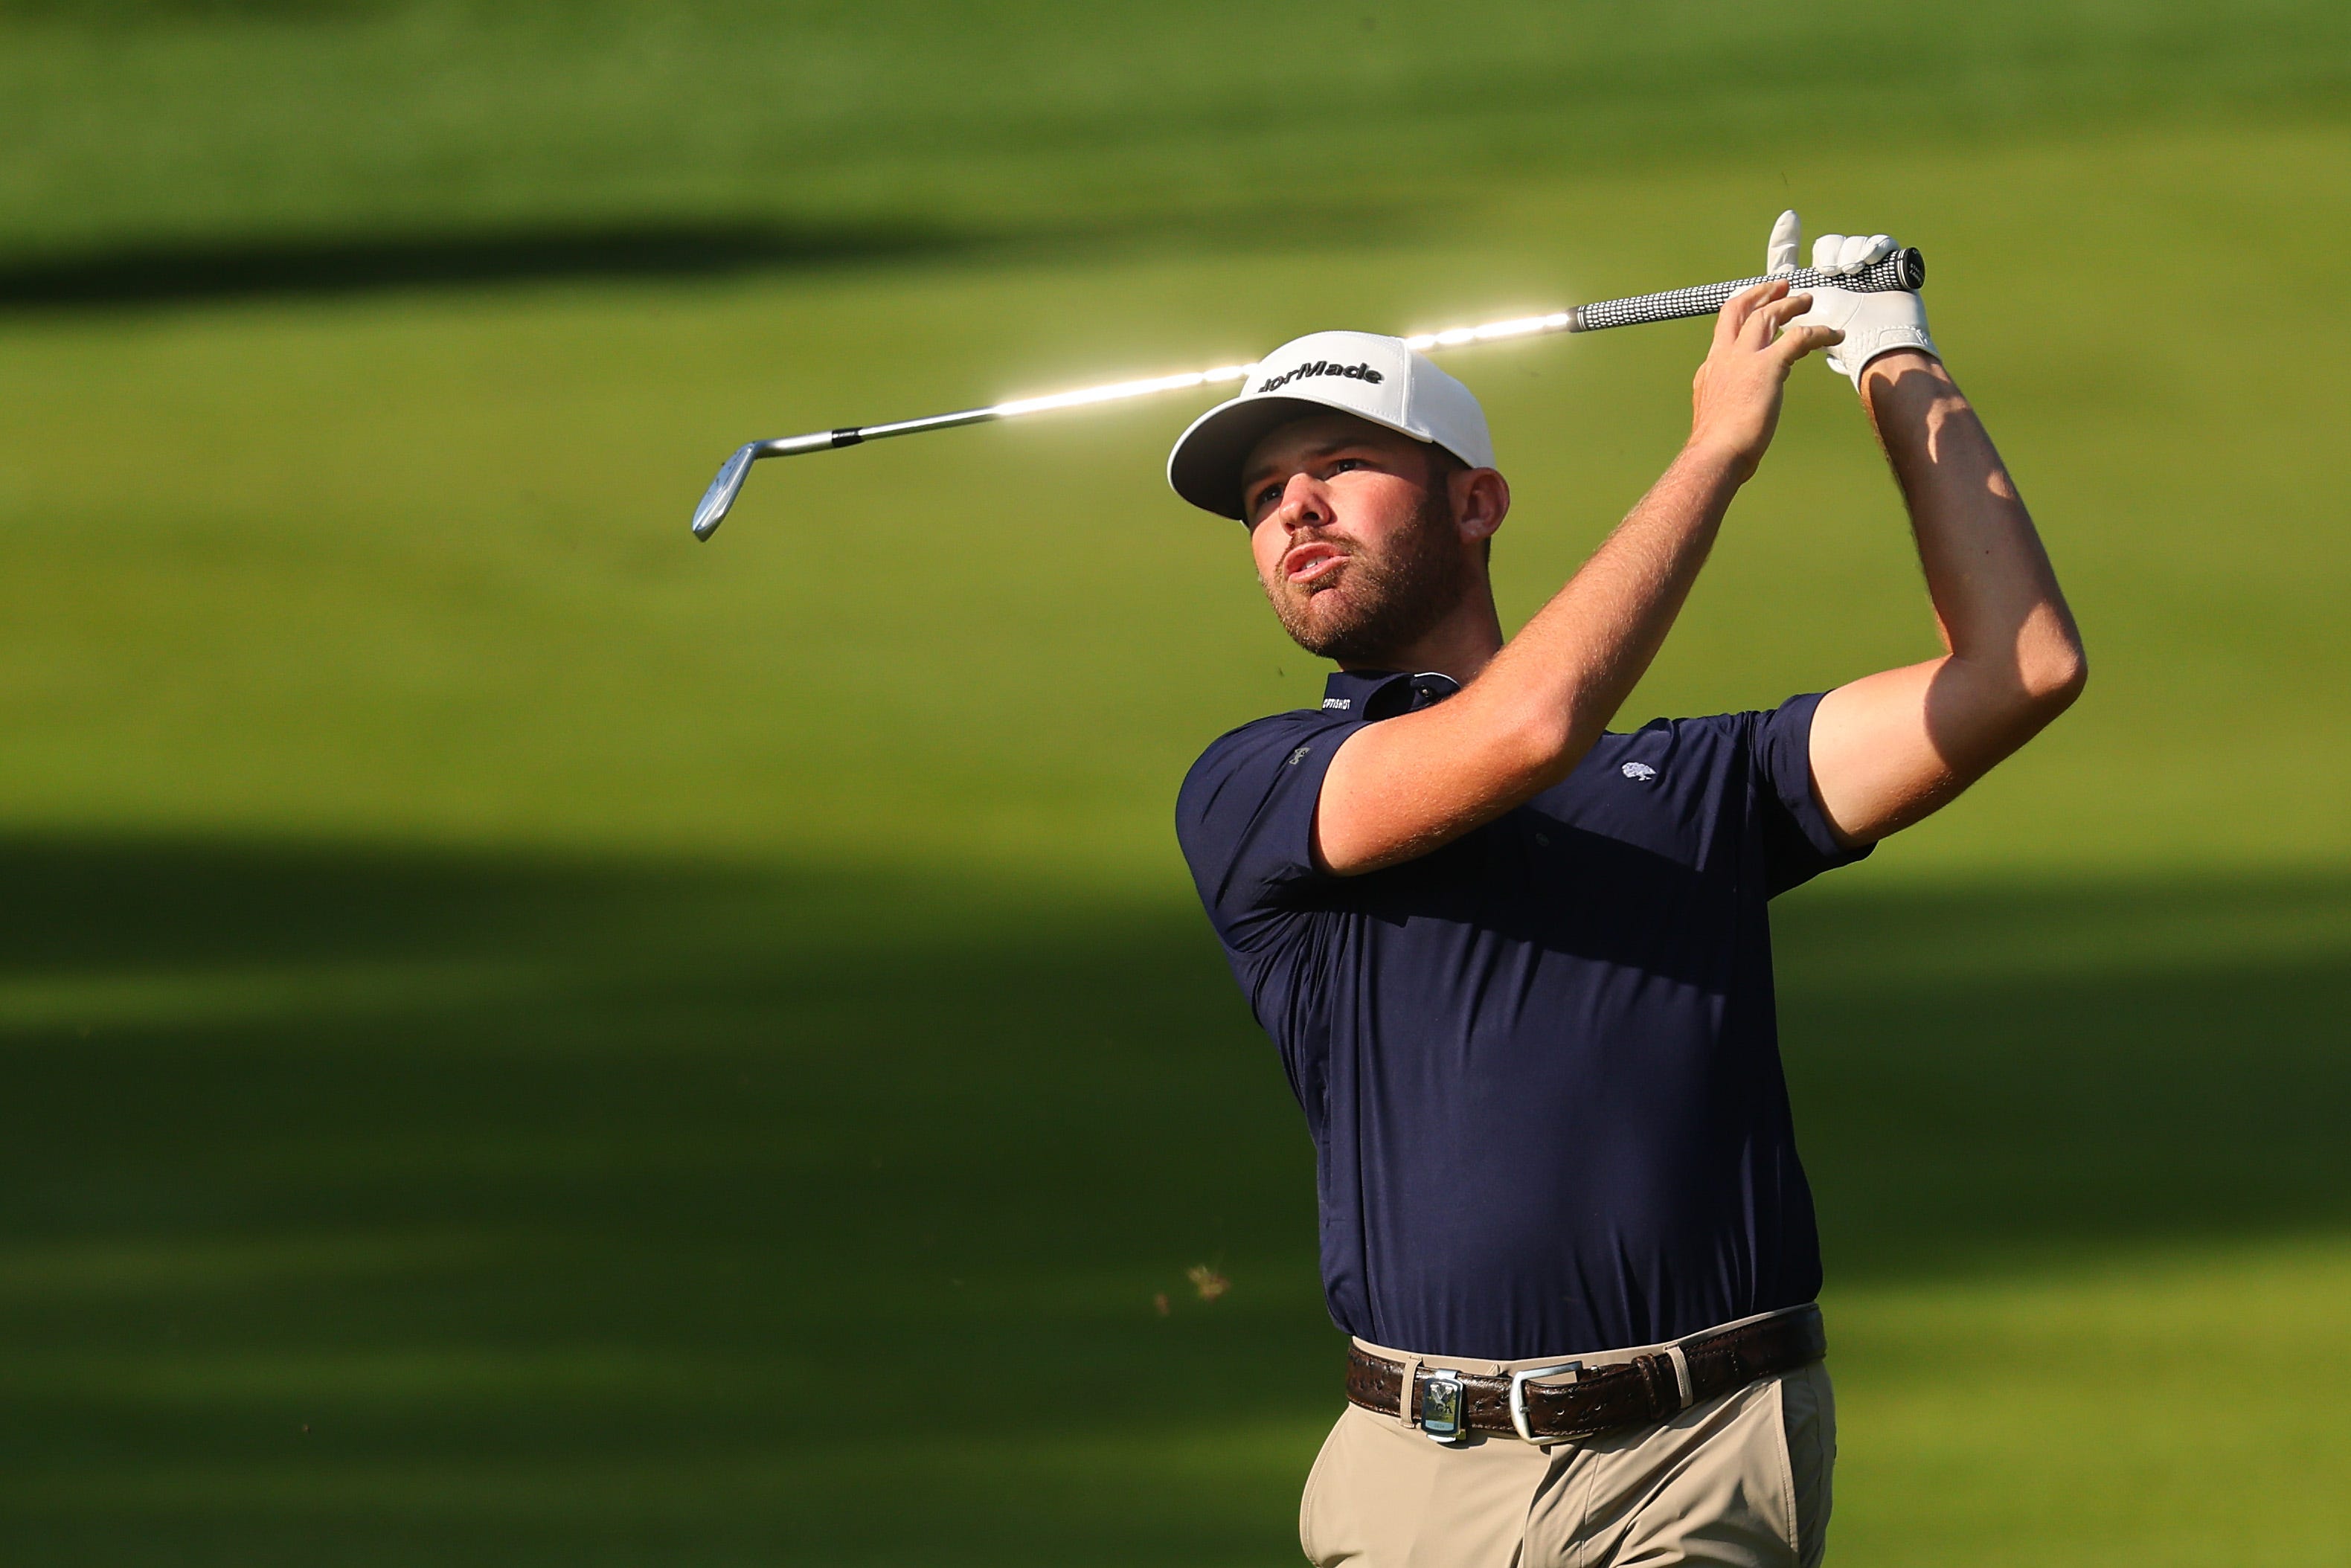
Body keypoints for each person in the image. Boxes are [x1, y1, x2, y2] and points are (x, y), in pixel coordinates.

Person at [1166, 212, 2085, 1568]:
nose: (1293, 508)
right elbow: (1527, 731)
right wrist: (1715, 449)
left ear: (1476, 502)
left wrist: (1892, 357)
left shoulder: (1699, 787)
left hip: (1701, 1455)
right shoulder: (1261, 786)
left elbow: (2019, 672)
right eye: (1262, 497)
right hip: (1417, 1480)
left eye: (1343, 465)